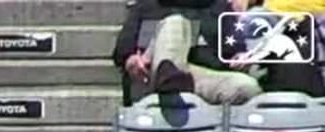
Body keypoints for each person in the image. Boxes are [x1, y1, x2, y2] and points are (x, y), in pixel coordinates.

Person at [112, 0, 261, 106]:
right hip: (149, 74)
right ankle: (169, 76)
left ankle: (176, 83)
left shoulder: (219, 7)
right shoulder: (146, 5)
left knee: (246, 86)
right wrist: (131, 60)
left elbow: (234, 50)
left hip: (196, 78)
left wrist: (240, 58)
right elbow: (122, 51)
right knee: (175, 22)